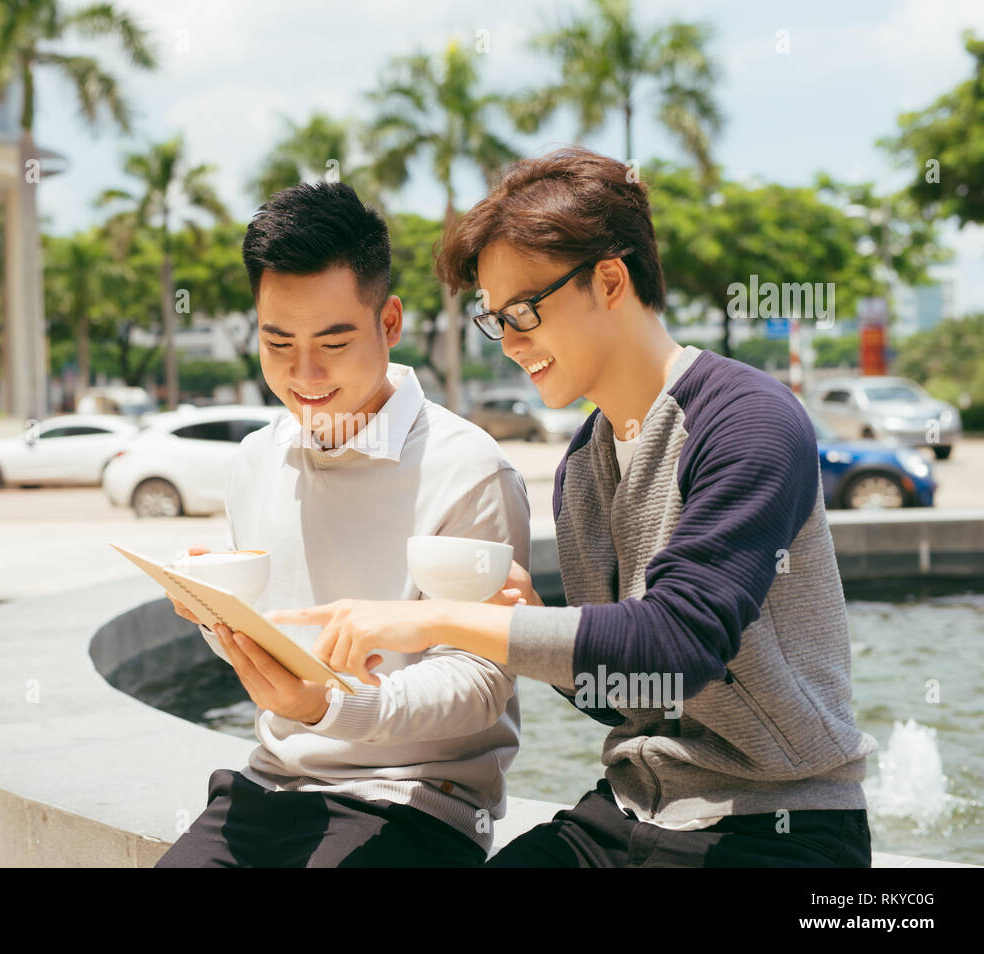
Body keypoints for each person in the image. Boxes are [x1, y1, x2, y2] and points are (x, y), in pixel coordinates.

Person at [271, 147, 879, 867]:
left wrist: (440, 618)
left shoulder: (750, 420)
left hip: (781, 824)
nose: (513, 344)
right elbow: (630, 697)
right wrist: (535, 630)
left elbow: (680, 645)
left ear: (610, 279)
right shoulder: (584, 467)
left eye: (525, 312)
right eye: (498, 321)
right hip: (629, 809)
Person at [154, 181, 531, 868]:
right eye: (278, 343)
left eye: (332, 342)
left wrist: (330, 706)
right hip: (271, 782)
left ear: (389, 323)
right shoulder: (255, 458)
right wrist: (216, 618)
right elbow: (278, 654)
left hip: (417, 802)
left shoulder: (467, 467)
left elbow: (480, 684)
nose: (304, 375)